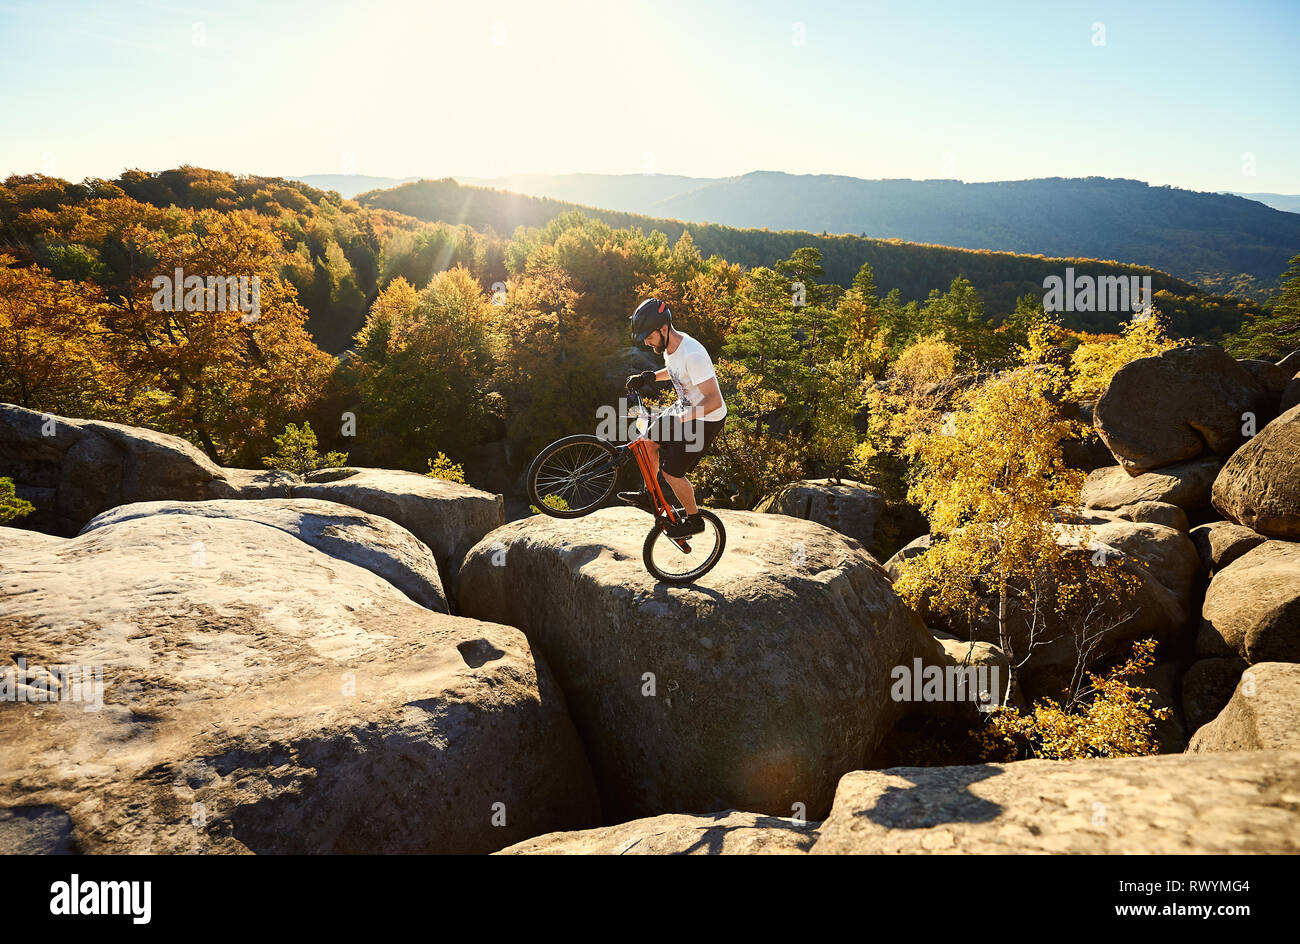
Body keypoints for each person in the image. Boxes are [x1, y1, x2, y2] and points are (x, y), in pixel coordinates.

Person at [618, 297, 727, 537]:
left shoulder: (693, 354)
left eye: (649, 336)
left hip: (706, 418)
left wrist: (678, 420)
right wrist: (649, 377)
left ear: (664, 329)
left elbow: (714, 401)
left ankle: (695, 519)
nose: (646, 342)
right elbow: (675, 371)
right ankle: (650, 496)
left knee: (671, 473)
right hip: (686, 408)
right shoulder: (670, 346)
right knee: (647, 444)